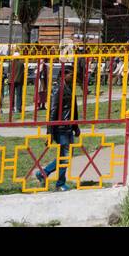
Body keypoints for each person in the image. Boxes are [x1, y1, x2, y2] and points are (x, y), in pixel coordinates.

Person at [31, 52, 81, 190]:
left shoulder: (70, 88)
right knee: (65, 156)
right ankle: (59, 183)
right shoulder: (57, 89)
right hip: (60, 128)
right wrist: (50, 132)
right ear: (64, 75)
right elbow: (52, 111)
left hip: (69, 126)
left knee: (65, 155)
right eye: (72, 75)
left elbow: (73, 109)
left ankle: (44, 173)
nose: (74, 77)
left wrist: (76, 126)